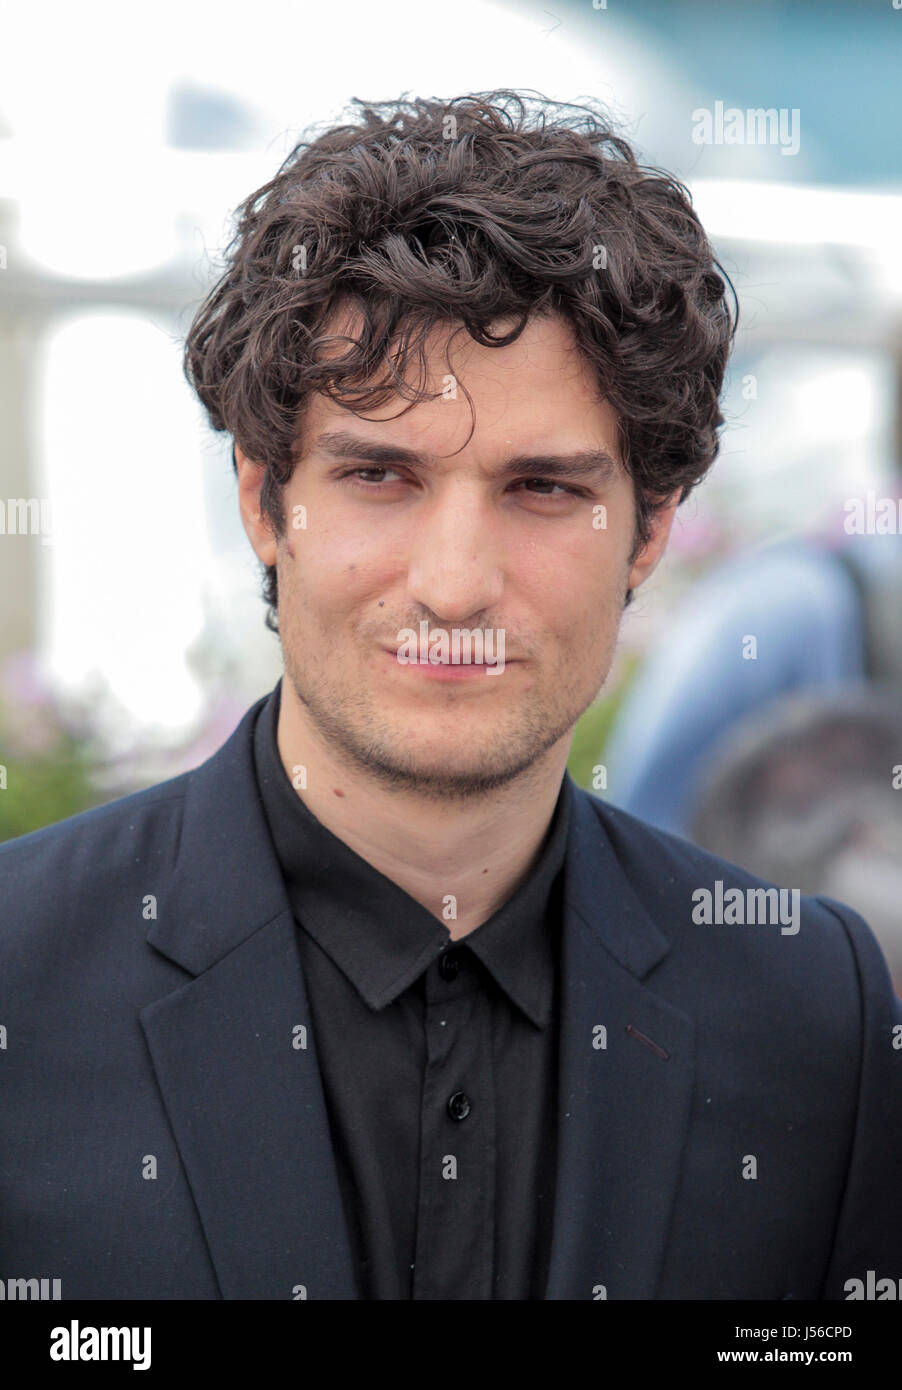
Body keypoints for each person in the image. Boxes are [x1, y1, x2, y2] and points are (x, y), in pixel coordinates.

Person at [1, 89, 900, 1302]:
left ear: (650, 533)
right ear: (265, 504)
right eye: (380, 475)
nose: (455, 582)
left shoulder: (813, 1011)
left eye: (539, 488)